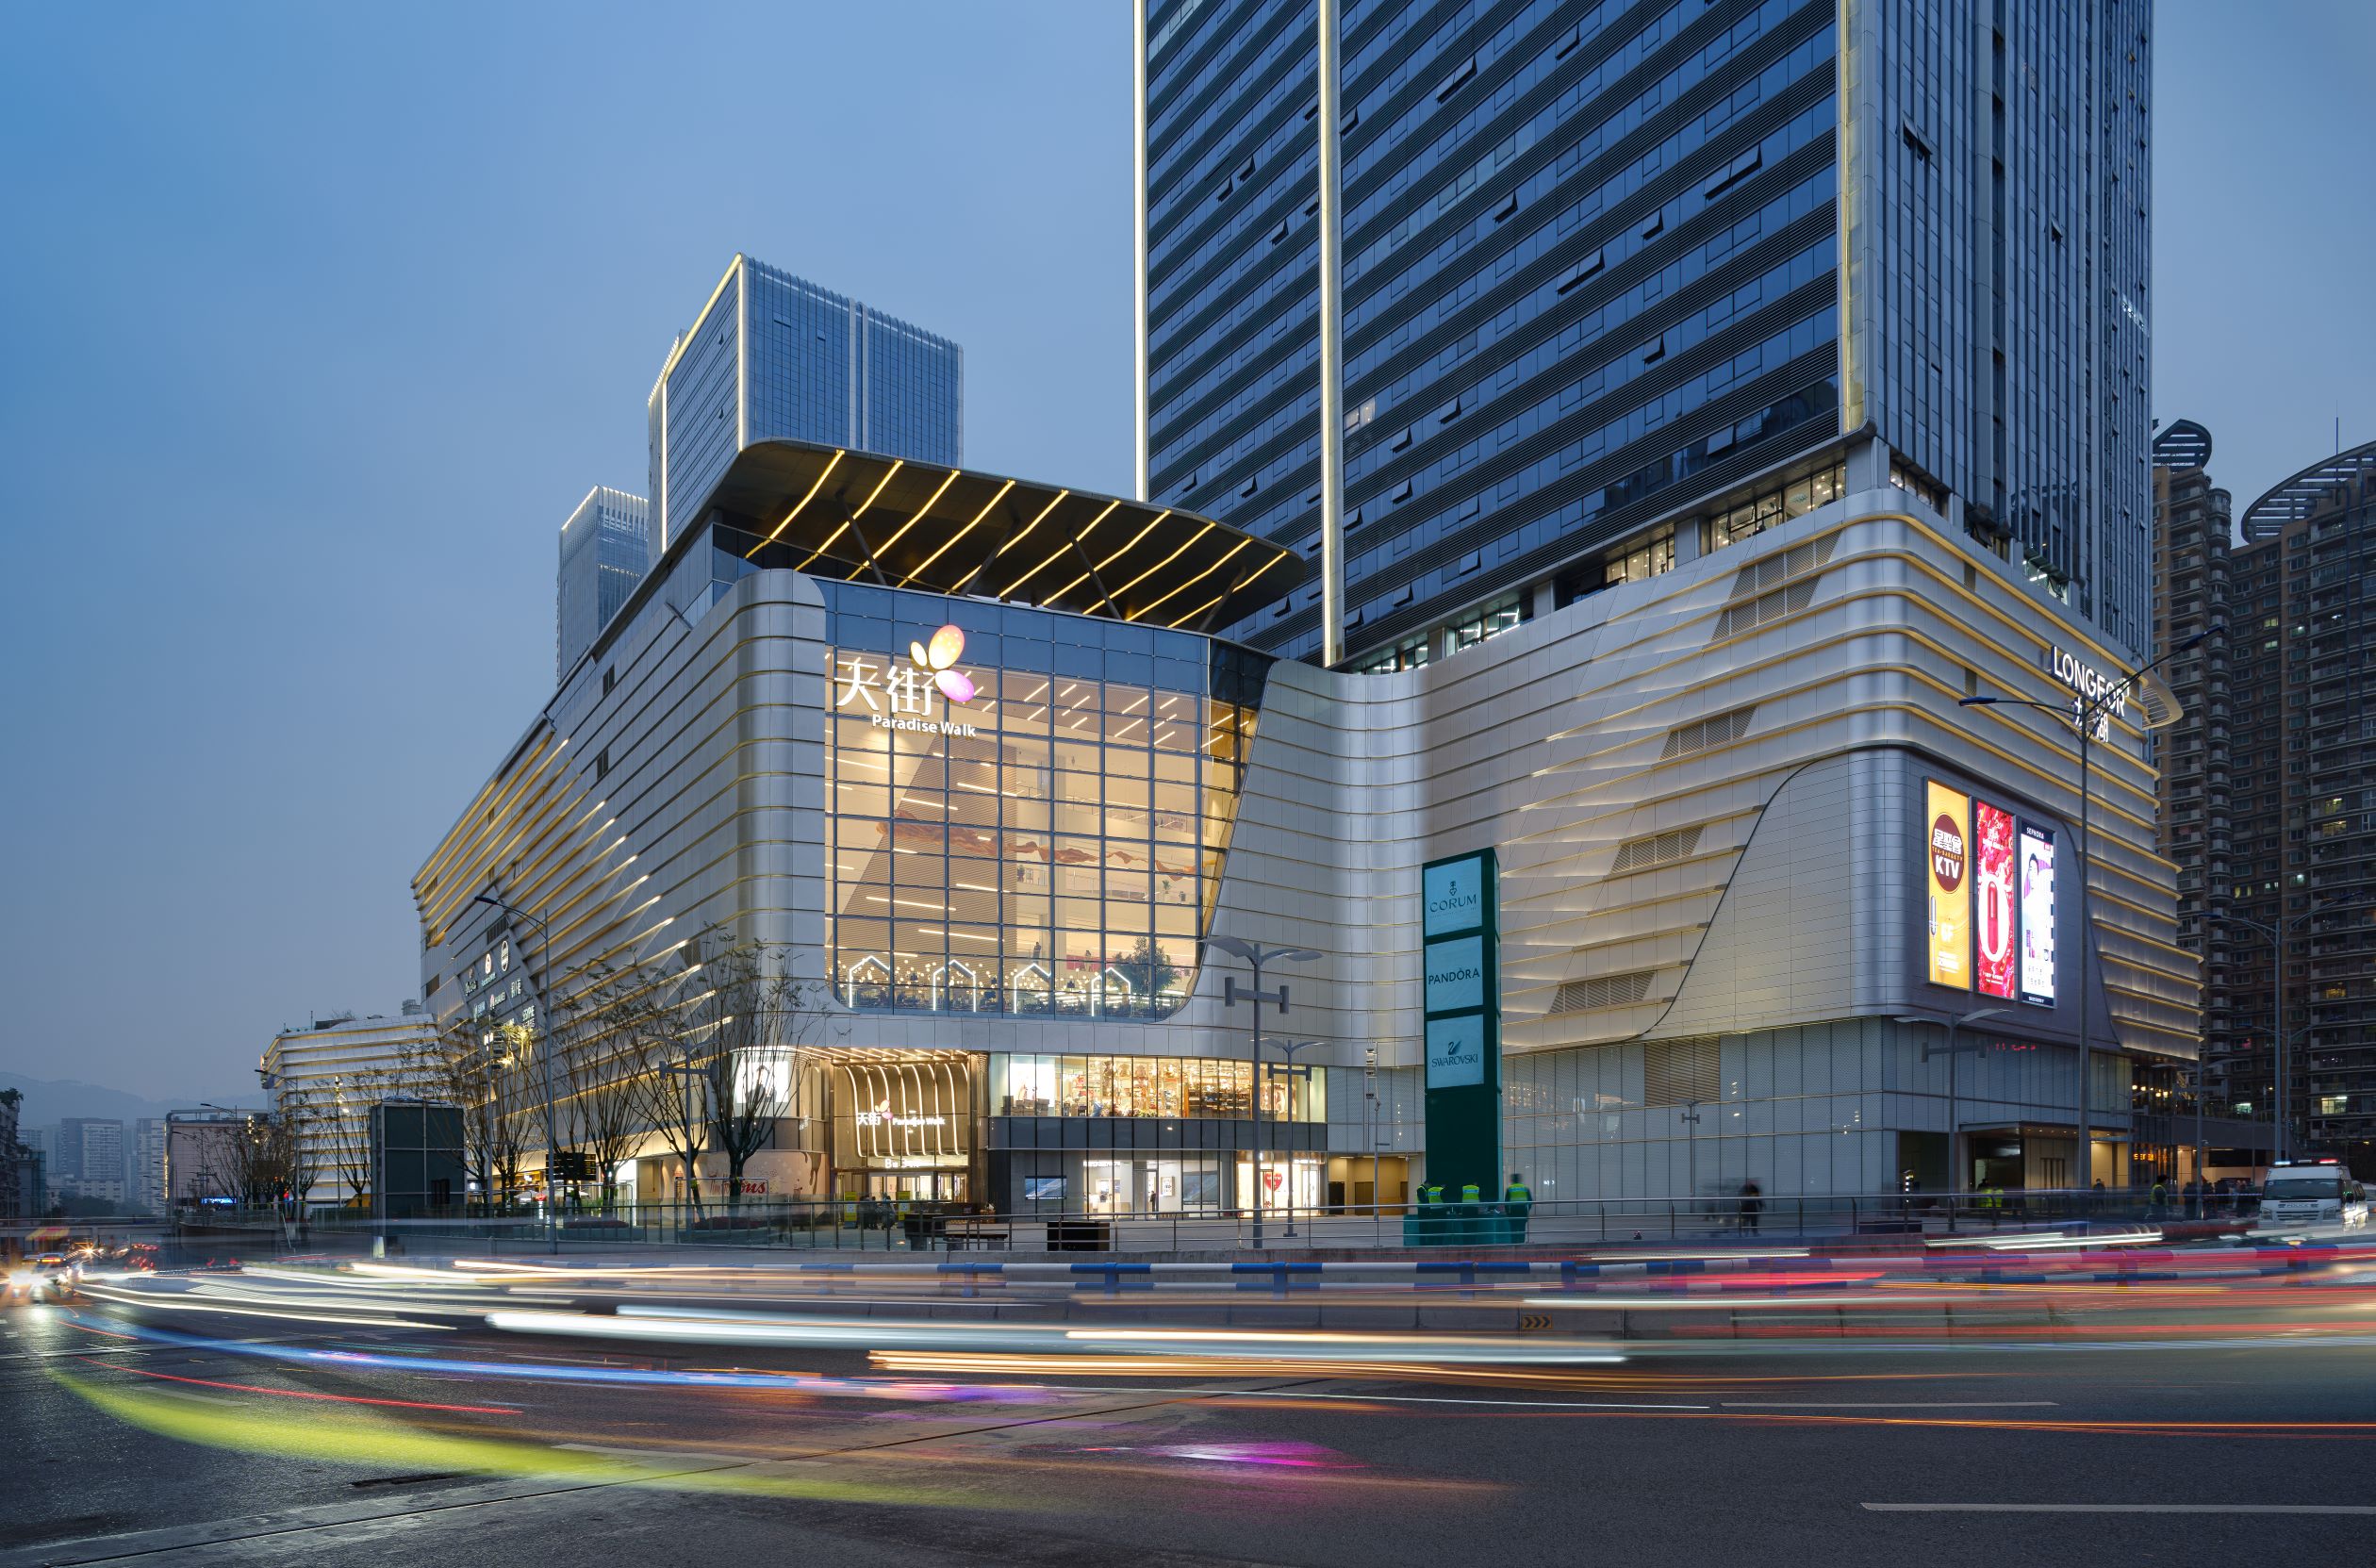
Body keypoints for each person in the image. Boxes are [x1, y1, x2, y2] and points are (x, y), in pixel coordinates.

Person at [1503, 1172, 1533, 1243]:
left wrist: (1508, 1213)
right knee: (1522, 1229)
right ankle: (1521, 1244)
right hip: (1523, 1211)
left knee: (1513, 1229)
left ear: (1512, 1180)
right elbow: (1530, 1201)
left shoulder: (1509, 1189)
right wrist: (1527, 1210)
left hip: (1513, 1212)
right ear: (1519, 1179)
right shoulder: (1525, 1188)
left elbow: (1506, 1203)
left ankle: (1514, 1244)